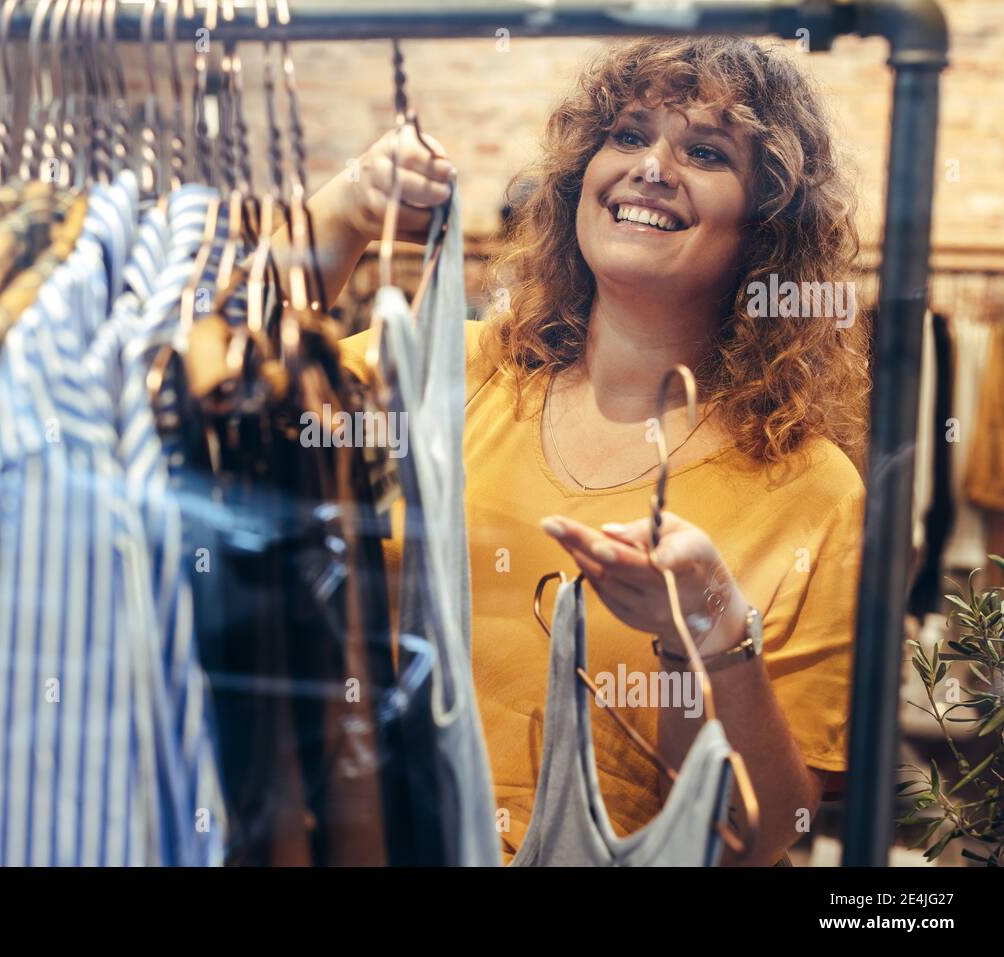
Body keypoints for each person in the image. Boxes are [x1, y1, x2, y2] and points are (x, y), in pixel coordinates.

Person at [281, 36, 869, 866]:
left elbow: (759, 836)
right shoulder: (450, 372)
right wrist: (341, 213)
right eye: (628, 135)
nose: (652, 167)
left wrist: (706, 629)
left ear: (768, 228)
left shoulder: (812, 491)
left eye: (704, 152)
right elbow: (229, 383)